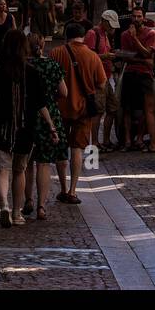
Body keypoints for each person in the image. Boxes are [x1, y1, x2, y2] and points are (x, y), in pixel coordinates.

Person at [0, 29, 59, 227]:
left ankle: (4, 206)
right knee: (19, 171)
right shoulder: (32, 72)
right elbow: (40, 103)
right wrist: (51, 127)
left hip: (1, 126)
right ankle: (17, 213)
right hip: (25, 127)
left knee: (2, 170)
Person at [50, 22, 107, 203]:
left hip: (59, 108)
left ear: (67, 35)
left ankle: (63, 187)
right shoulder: (93, 56)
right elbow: (102, 84)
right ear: (83, 36)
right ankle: (73, 190)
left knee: (60, 149)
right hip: (83, 109)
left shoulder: (56, 53)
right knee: (77, 149)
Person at [24, 31, 69, 218]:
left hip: (26, 115)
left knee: (26, 162)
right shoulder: (52, 65)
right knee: (44, 163)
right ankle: (41, 206)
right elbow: (64, 92)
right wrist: (51, 97)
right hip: (48, 115)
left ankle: (28, 200)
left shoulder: (23, 66)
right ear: (42, 46)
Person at [120, 5, 155, 152]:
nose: (136, 19)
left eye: (139, 16)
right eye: (134, 16)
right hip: (130, 73)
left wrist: (135, 39)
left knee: (145, 109)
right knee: (127, 108)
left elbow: (147, 54)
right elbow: (126, 56)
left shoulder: (151, 34)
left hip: (145, 75)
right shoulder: (124, 35)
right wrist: (141, 59)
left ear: (144, 17)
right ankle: (128, 140)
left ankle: (141, 138)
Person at [85, 8, 120, 151]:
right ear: (104, 22)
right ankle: (94, 143)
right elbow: (88, 56)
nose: (112, 28)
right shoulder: (93, 34)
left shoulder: (105, 35)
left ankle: (106, 140)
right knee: (98, 111)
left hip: (106, 76)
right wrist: (105, 56)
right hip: (97, 78)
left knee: (112, 108)